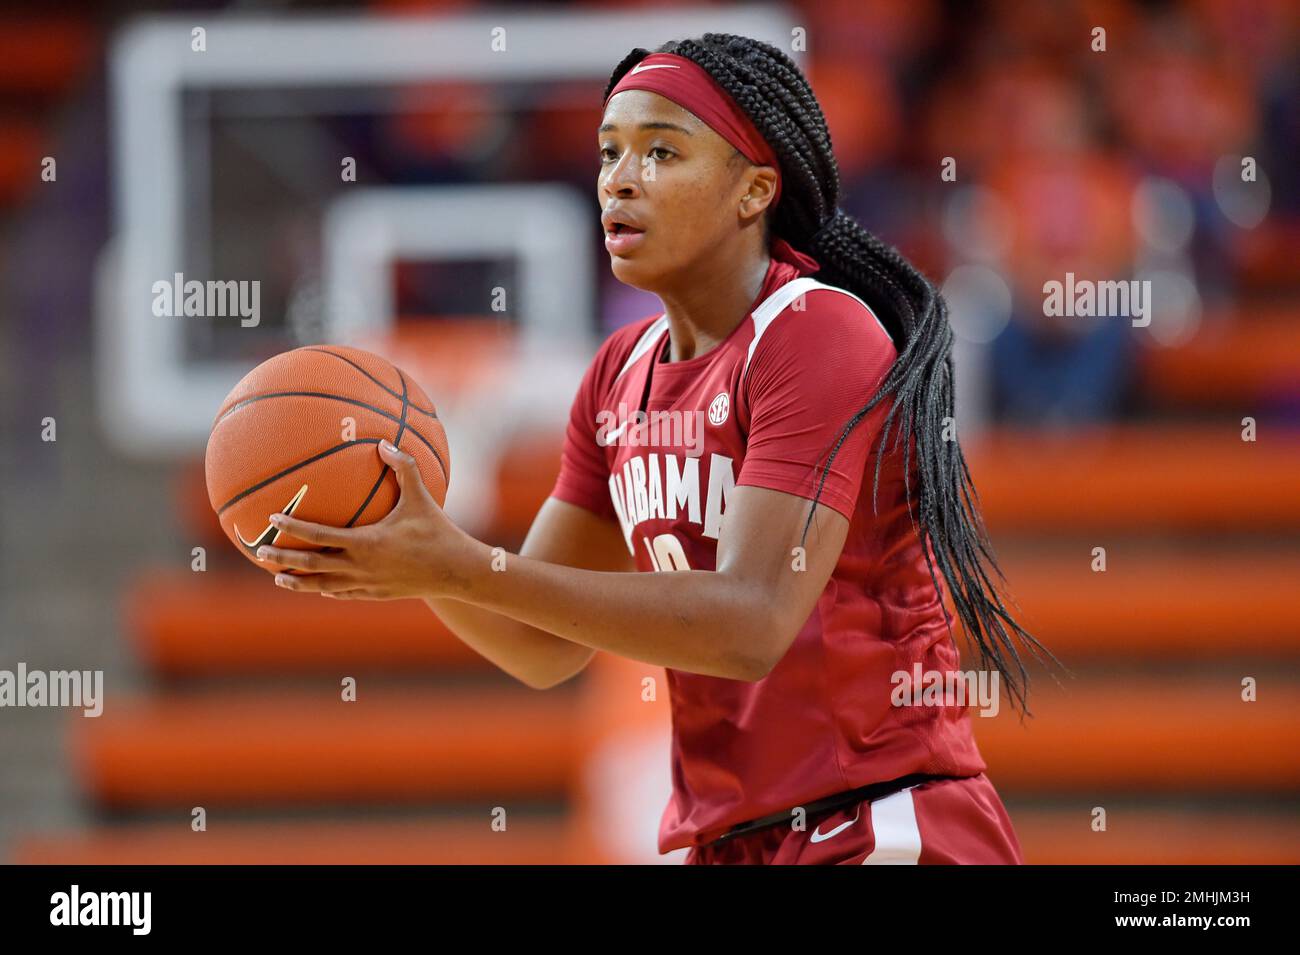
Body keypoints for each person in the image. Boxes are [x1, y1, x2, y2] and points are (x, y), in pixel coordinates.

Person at [258, 34, 1054, 864]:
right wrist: (416, 566)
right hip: (732, 837)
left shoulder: (817, 331)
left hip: (879, 821)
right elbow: (541, 644)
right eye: (609, 153)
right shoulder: (618, 371)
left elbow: (752, 620)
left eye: (661, 151)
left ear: (754, 191)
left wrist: (455, 566)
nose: (619, 179)